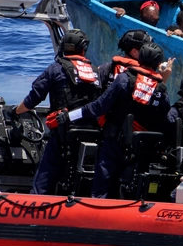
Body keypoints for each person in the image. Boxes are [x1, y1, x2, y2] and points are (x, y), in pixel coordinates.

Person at [50, 42, 171, 198]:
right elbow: (165, 119)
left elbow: (98, 107)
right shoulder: (162, 90)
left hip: (113, 145)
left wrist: (69, 116)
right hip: (141, 150)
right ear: (158, 63)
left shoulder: (123, 80)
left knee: (101, 188)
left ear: (139, 58)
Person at [14, 29, 101, 195]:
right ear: (83, 48)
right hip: (91, 134)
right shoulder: (96, 72)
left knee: (43, 179)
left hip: (63, 134)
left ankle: (35, 204)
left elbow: (33, 99)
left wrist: (16, 112)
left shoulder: (55, 69)